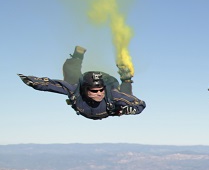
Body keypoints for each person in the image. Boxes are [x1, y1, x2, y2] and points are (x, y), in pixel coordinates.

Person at [17, 45, 146, 119]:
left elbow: (139, 103)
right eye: (94, 91)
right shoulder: (75, 89)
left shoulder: (111, 94)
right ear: (85, 90)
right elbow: (51, 85)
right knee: (70, 75)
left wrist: (130, 110)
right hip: (84, 81)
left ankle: (126, 77)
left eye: (100, 90)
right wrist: (32, 82)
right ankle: (78, 55)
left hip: (109, 82)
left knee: (123, 97)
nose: (99, 93)